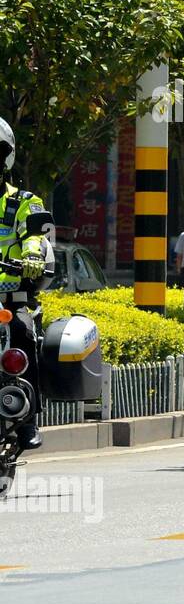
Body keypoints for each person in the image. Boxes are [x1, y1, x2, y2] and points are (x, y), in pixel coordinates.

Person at [0, 116, 53, 450]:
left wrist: (32, 257)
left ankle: (28, 422)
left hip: (11, 296)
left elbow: (33, 236)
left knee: (22, 334)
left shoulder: (23, 201)